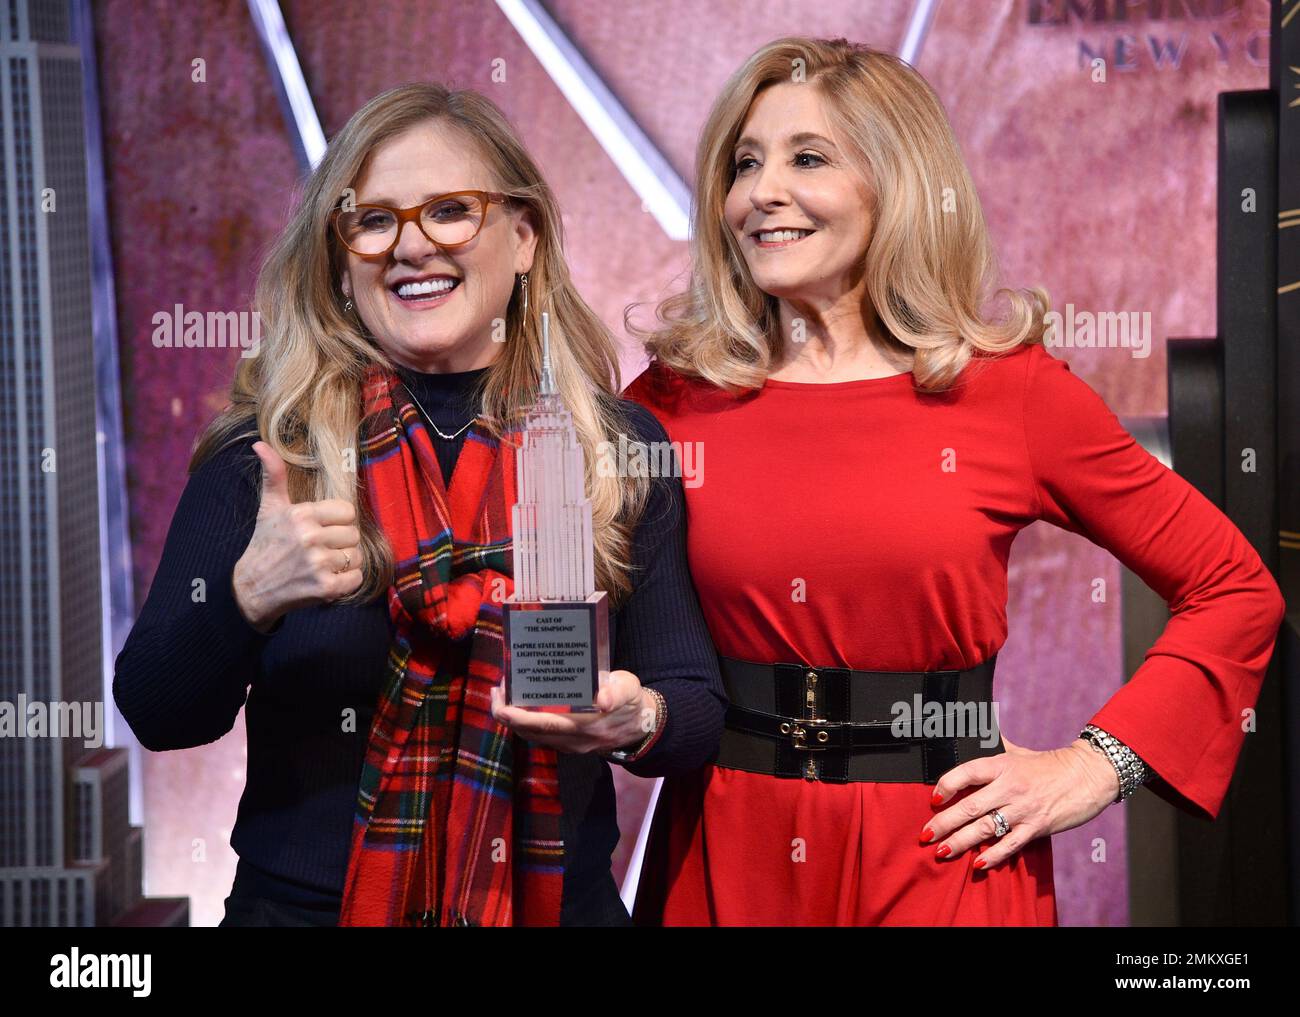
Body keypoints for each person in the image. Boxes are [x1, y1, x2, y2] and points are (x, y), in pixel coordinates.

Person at [623, 37, 1286, 926]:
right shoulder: (669, 401)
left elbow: (1235, 587)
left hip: (944, 854)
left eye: (807, 158)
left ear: (897, 187)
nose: (759, 193)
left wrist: (1097, 765)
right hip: (724, 853)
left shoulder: (1009, 394)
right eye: (745, 164)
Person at [113, 82, 724, 928]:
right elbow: (156, 711)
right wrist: (245, 601)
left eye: (449, 211)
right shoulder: (271, 452)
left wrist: (634, 716)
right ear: (338, 256)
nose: (410, 246)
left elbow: (694, 705)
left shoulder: (612, 447)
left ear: (523, 237)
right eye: (372, 221)